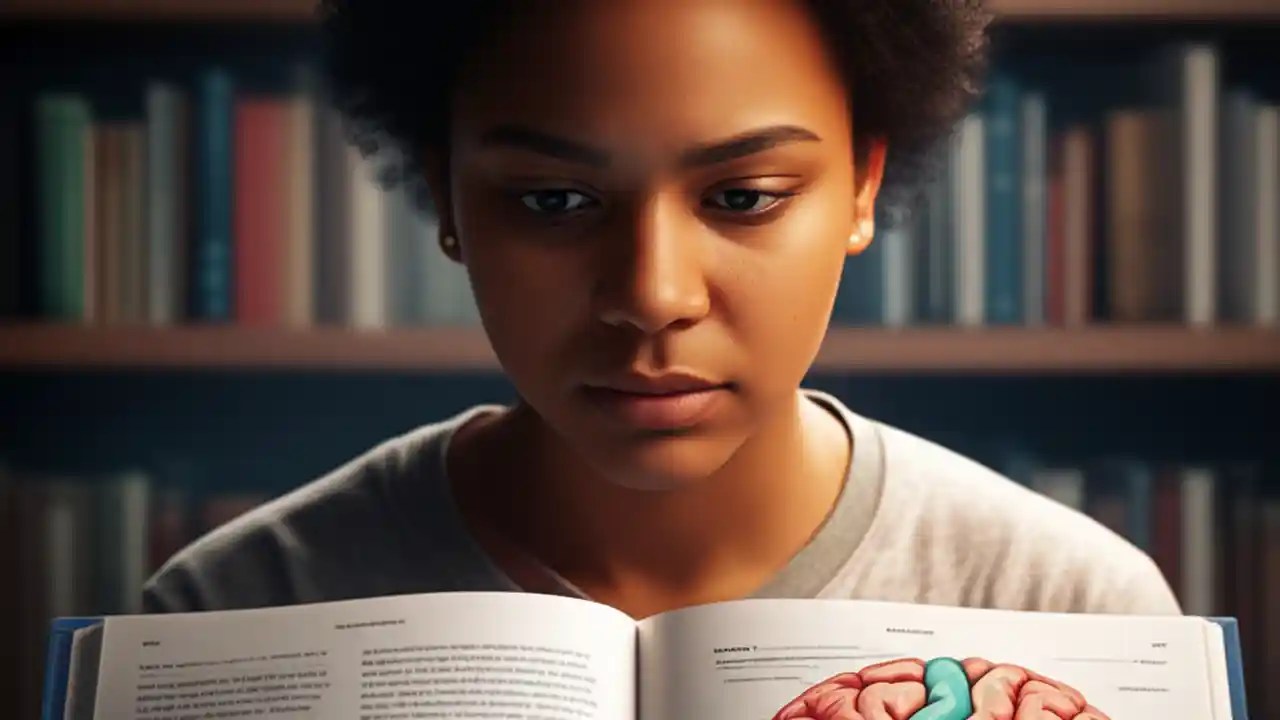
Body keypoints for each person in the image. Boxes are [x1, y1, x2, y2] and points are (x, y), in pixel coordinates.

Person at [144, 0, 1180, 620]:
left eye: (741, 198)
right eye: (553, 201)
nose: (651, 296)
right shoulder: (228, 615)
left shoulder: (1065, 607)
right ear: (448, 199)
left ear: (861, 186)